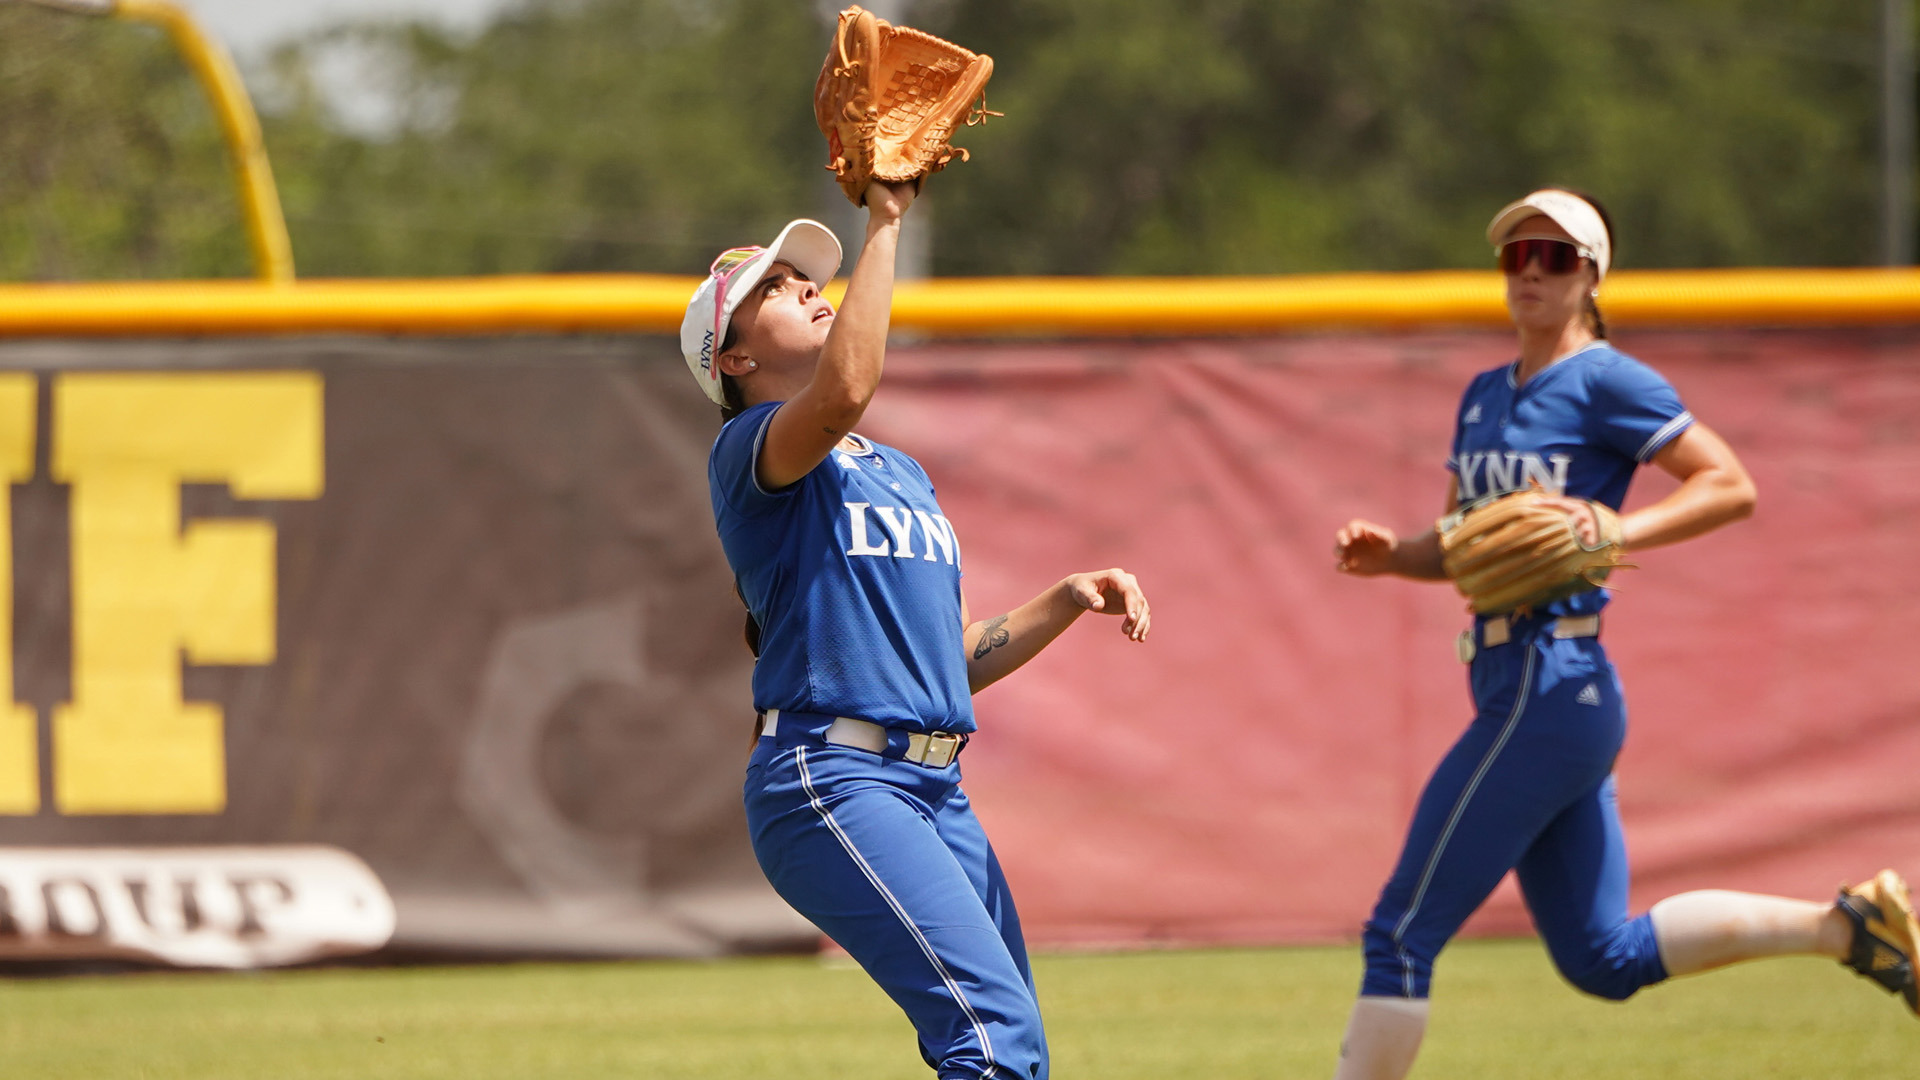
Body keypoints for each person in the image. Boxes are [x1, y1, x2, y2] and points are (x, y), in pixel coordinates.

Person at [1326, 187, 1920, 1079]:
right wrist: (1395, 555)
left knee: (1400, 933)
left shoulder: (1608, 379)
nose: (1531, 269)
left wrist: (1616, 530)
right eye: (1516, 254)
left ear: (1592, 275)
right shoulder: (1485, 396)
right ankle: (1849, 927)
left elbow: (1729, 484)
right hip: (1520, 683)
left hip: (1554, 679)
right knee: (1603, 959)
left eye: (1556, 256)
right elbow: (1463, 550)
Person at [681, 180, 1151, 1080]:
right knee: (991, 1042)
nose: (812, 289)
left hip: (933, 786)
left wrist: (1060, 600)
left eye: (808, 279)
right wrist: (888, 220)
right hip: (833, 778)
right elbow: (846, 389)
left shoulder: (898, 472)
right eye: (777, 289)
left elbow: (941, 667)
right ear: (732, 360)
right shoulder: (748, 452)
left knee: (1016, 1051)